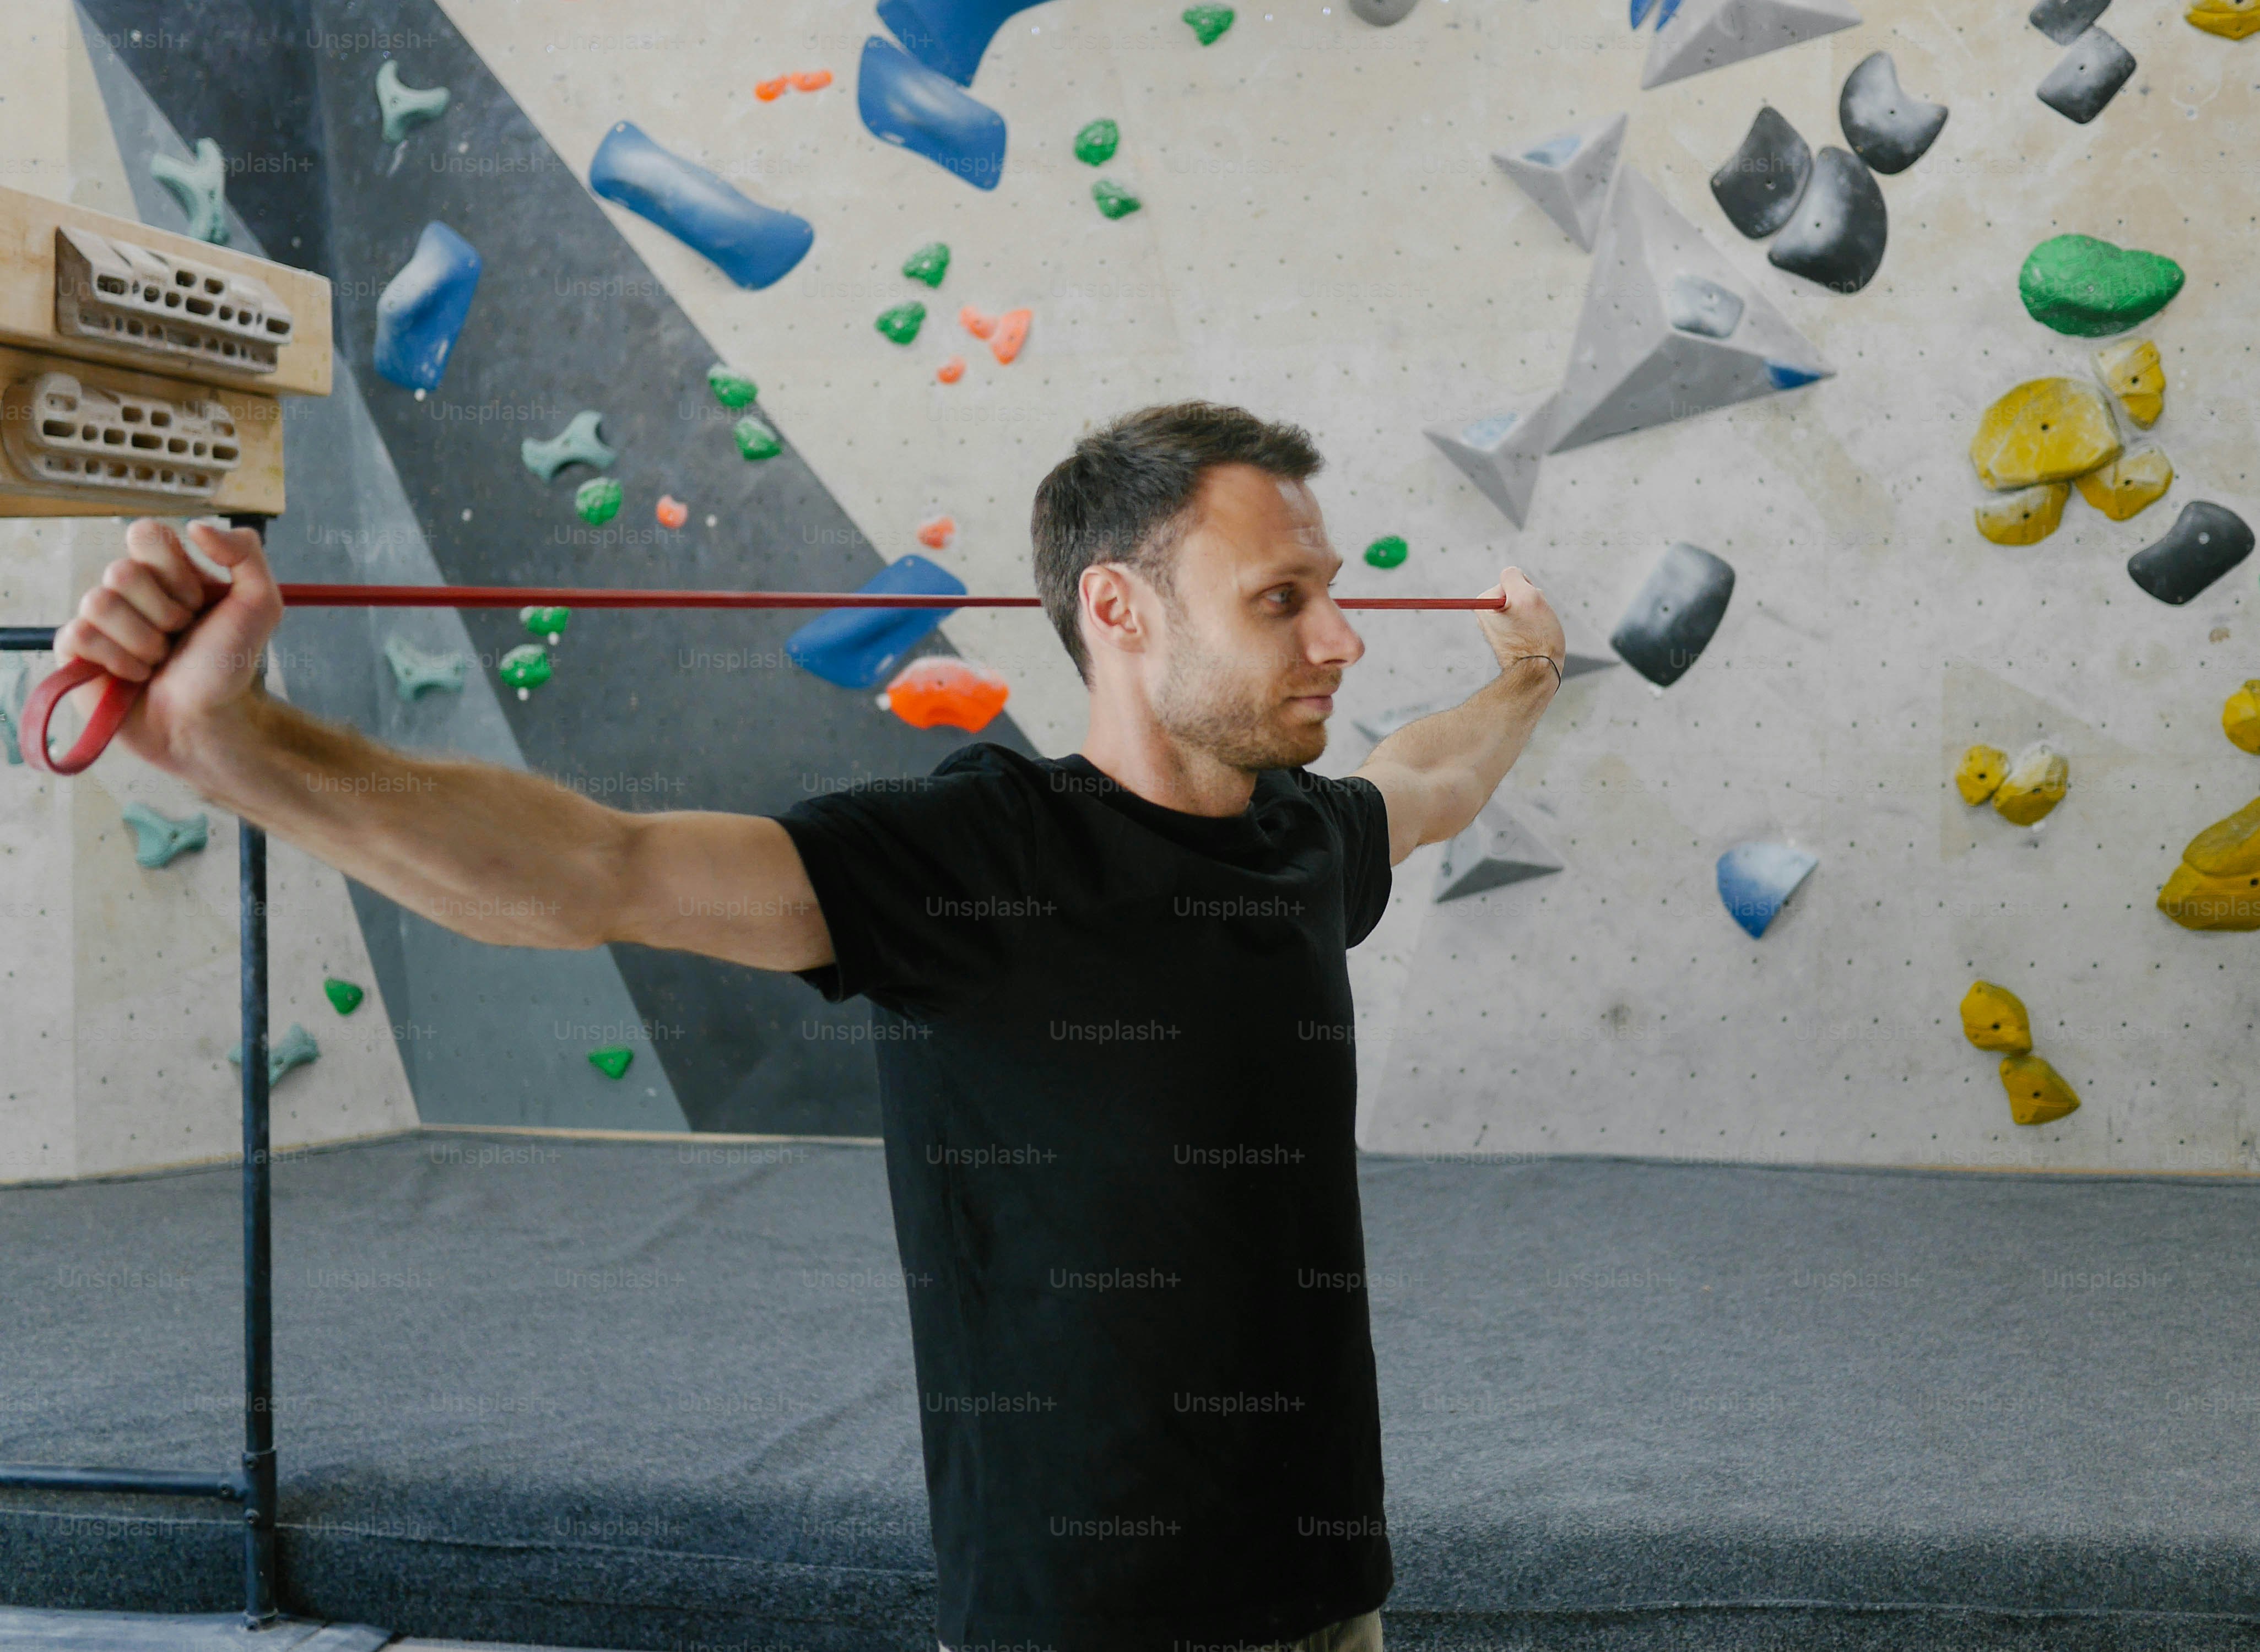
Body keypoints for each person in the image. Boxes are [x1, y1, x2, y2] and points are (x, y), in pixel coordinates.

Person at [55, 400, 1563, 1652]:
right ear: (1117, 608)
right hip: (1095, 1615)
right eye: (1282, 600)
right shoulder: (976, 857)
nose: (1342, 641)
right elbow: (599, 870)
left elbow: (1431, 778)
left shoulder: (1301, 839)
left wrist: (1529, 676)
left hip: (1333, 1594)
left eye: (1331, 593)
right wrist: (238, 743)